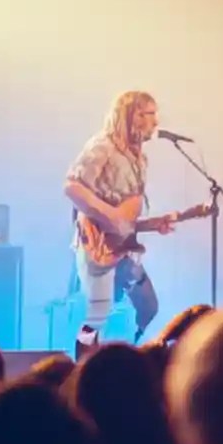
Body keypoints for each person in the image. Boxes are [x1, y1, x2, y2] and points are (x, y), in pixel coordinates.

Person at [64, 91, 174, 357]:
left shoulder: (139, 158)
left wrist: (151, 224)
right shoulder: (102, 147)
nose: (156, 122)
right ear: (133, 116)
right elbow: (72, 187)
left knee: (148, 306)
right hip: (98, 244)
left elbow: (126, 218)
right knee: (96, 316)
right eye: (150, 114)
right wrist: (109, 216)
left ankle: (128, 358)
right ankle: (83, 367)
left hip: (123, 246)